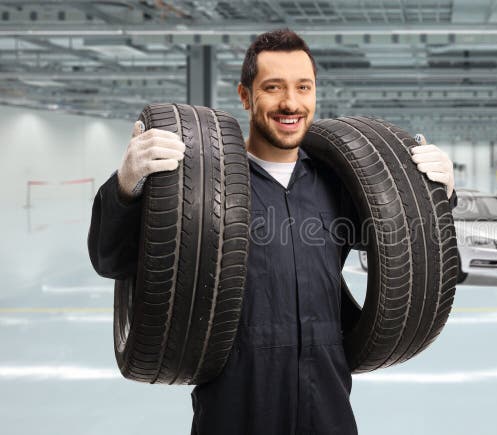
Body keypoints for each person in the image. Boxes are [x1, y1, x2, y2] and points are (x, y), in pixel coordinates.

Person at [87, 28, 456, 435]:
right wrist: (126, 187)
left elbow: (409, 244)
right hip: (234, 414)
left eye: (303, 87)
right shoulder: (195, 189)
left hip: (327, 409)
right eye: (273, 87)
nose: (291, 103)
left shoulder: (338, 187)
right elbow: (112, 260)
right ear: (245, 96)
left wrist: (435, 193)